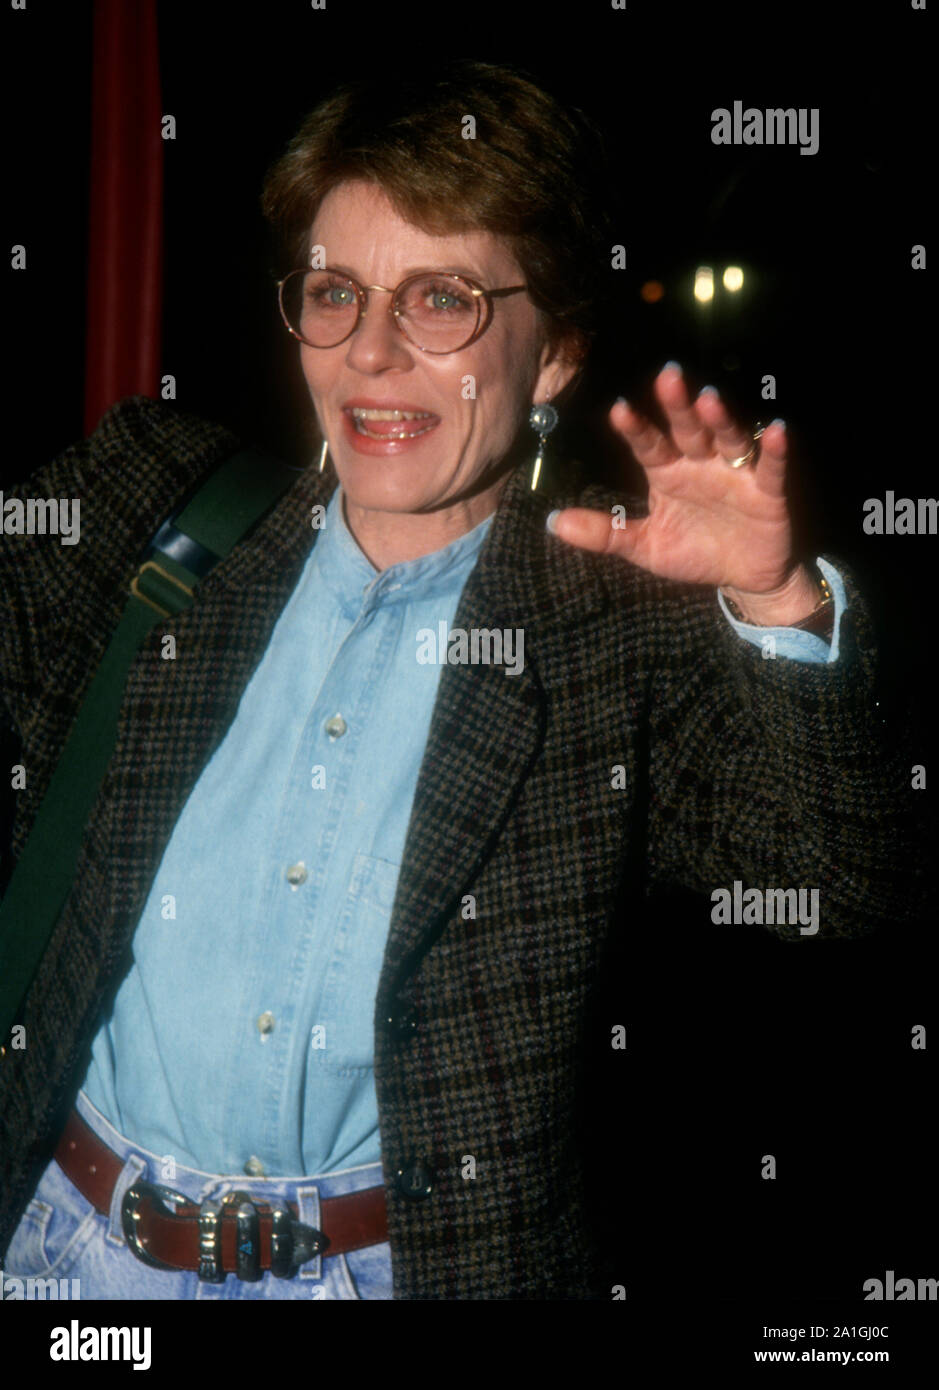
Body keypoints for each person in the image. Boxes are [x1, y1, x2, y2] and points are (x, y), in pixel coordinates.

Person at [0, 61, 923, 1300]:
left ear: (554, 357)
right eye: (337, 293)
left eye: (440, 299)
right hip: (66, 1264)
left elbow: (839, 875)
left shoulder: (613, 633)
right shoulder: (147, 512)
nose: (372, 352)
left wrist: (771, 601)